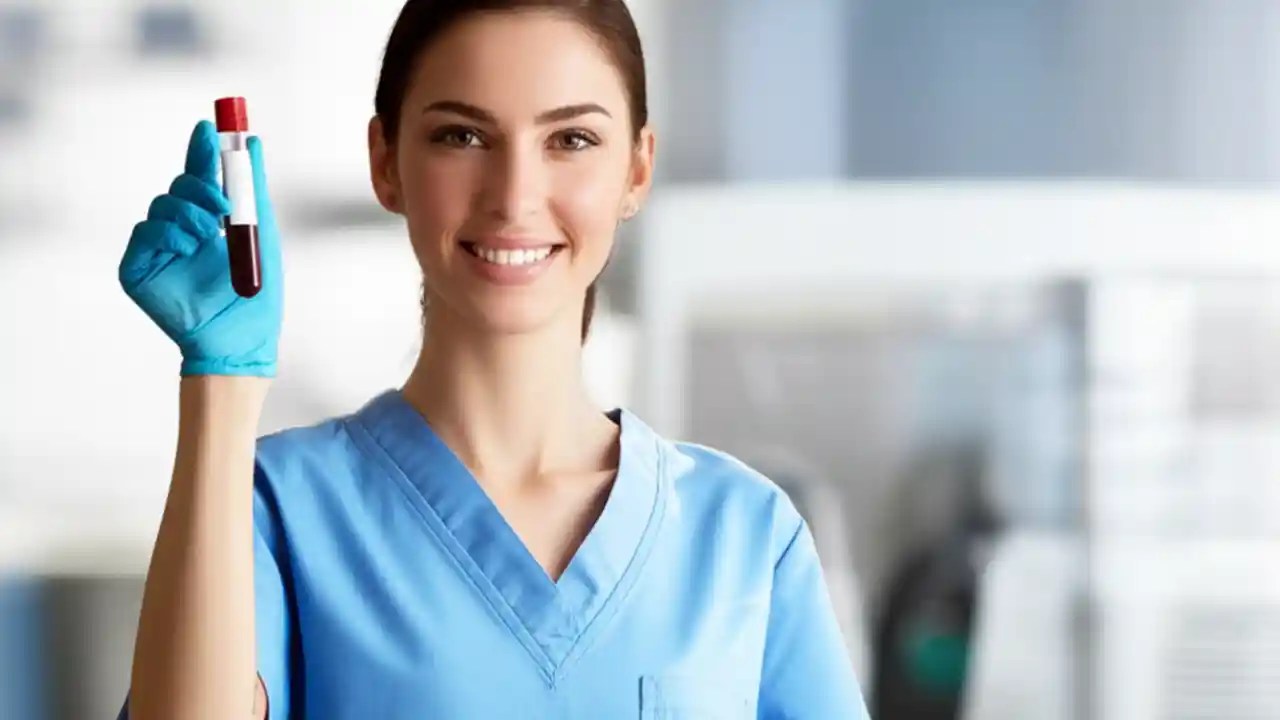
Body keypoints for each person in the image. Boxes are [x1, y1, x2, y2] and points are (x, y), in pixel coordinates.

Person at [115, 1, 869, 717]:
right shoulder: (274, 510)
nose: (514, 196)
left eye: (570, 140)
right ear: (386, 162)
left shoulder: (745, 536)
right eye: (462, 137)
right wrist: (220, 378)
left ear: (637, 170)